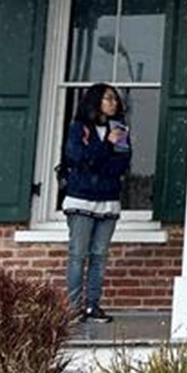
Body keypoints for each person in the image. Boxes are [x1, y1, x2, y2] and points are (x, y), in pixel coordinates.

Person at [60, 83, 132, 323]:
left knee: (99, 255)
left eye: (114, 99)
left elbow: (120, 164)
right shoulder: (80, 128)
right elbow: (78, 157)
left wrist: (100, 159)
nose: (113, 103)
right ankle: (72, 307)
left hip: (108, 198)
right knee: (78, 254)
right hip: (81, 197)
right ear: (95, 102)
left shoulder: (119, 130)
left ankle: (93, 305)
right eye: (107, 99)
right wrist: (106, 147)